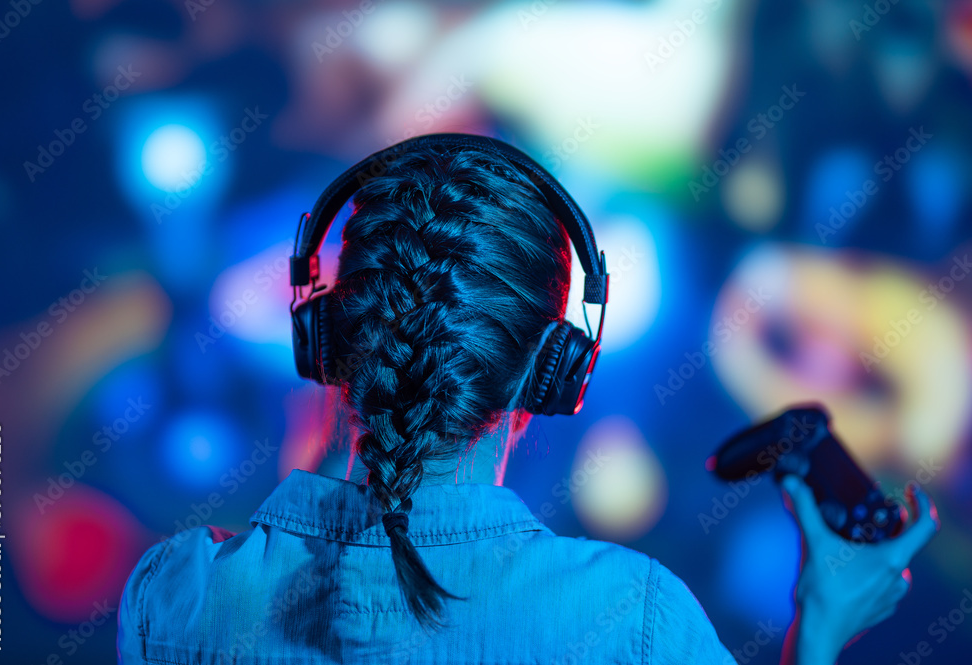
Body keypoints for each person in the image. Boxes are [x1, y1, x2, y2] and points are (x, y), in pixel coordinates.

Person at [117, 137, 939, 664]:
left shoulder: (174, 594)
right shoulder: (631, 617)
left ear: (320, 336)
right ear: (559, 369)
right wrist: (822, 632)